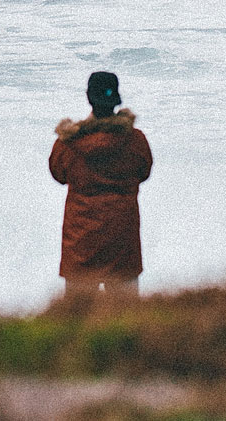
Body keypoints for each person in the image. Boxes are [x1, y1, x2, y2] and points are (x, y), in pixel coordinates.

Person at [49, 71, 152, 298]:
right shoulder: (134, 140)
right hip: (121, 235)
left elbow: (58, 174)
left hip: (81, 237)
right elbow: (143, 171)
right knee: (125, 312)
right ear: (116, 98)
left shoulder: (69, 143)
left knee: (77, 313)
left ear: (88, 98)